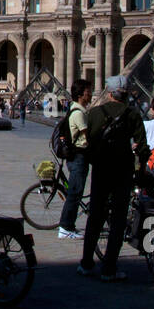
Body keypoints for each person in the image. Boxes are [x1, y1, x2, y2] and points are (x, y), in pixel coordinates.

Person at [79, 75, 148, 282]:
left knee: (95, 216)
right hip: (123, 171)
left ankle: (86, 263)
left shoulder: (94, 113)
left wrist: (94, 159)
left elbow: (86, 142)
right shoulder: (133, 114)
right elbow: (143, 147)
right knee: (118, 219)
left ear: (109, 94)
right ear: (126, 94)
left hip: (101, 169)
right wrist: (140, 167)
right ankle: (109, 267)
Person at [56, 79, 92, 240]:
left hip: (75, 157)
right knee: (74, 193)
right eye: (87, 91)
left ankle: (68, 225)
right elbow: (88, 136)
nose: (90, 94)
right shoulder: (78, 113)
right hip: (78, 156)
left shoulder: (74, 109)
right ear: (80, 94)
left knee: (74, 192)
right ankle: (65, 226)